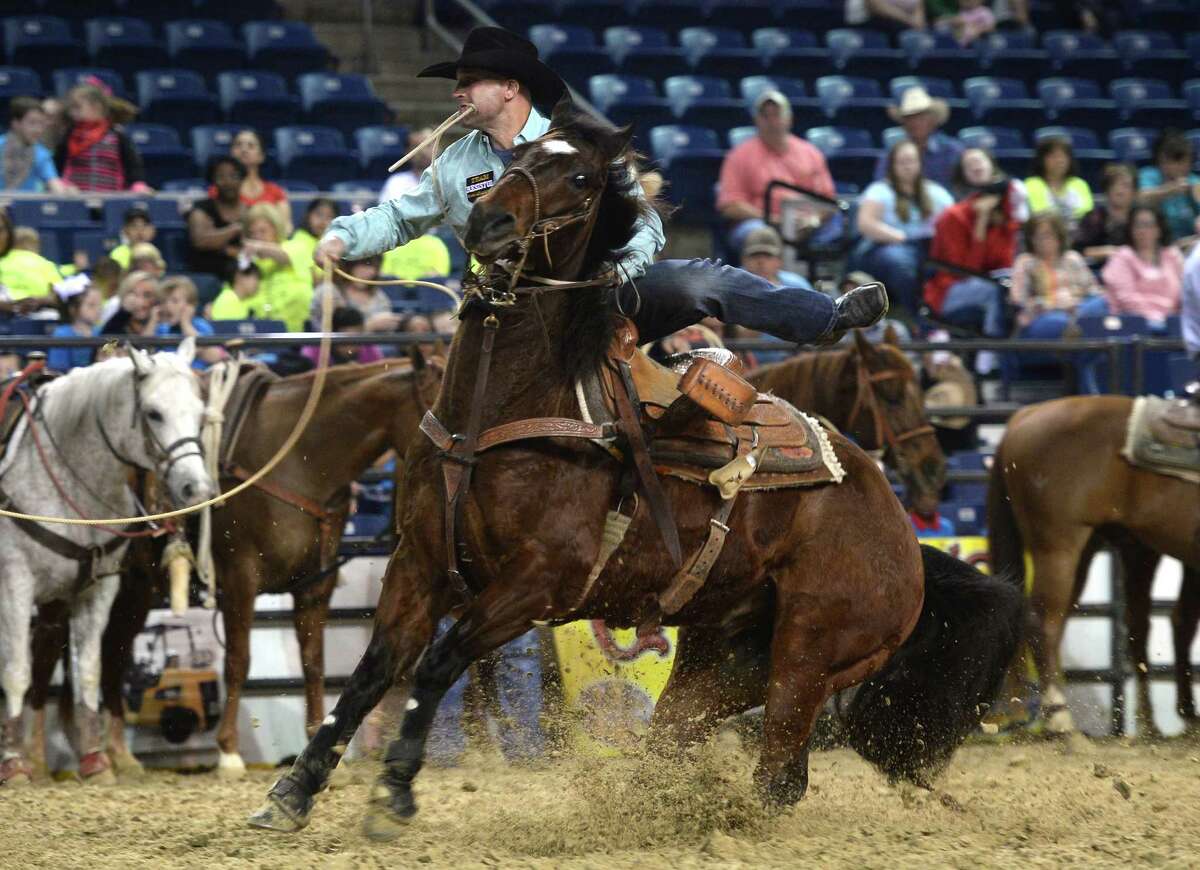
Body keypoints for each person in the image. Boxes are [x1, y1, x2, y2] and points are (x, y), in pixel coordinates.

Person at [317, 27, 886, 353]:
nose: (457, 95)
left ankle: (822, 317)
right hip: (505, 307)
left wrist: (626, 266)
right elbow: (399, 218)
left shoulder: (578, 144)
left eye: (469, 84)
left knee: (708, 279)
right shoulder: (452, 164)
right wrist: (342, 238)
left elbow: (643, 220)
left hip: (596, 291)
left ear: (510, 88)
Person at [716, 88, 837, 257]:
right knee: (760, 235)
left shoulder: (810, 152)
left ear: (789, 119)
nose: (772, 121)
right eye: (765, 115)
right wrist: (773, 220)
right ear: (756, 120)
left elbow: (829, 200)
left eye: (777, 114)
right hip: (760, 222)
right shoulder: (739, 155)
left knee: (840, 226)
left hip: (806, 223)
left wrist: (813, 219)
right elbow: (730, 206)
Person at [851, 140, 954, 312]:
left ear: (920, 163)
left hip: (927, 246)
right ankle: (918, 316)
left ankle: (944, 315)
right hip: (884, 247)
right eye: (902, 162)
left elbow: (952, 222)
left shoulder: (937, 192)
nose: (907, 167)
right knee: (900, 262)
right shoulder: (879, 190)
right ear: (892, 165)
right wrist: (899, 237)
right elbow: (866, 224)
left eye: (911, 161)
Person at [924, 175, 1019, 338]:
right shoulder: (953, 217)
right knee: (998, 290)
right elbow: (964, 272)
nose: (1008, 218)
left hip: (987, 283)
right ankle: (990, 353)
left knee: (1016, 284)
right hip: (947, 291)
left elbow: (1006, 264)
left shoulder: (1004, 223)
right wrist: (980, 225)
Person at [1009, 212, 1105, 338]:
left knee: (1102, 303)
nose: (1042, 241)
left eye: (1047, 235)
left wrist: (1078, 300)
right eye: (1036, 236)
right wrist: (1049, 305)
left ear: (1059, 236)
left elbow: (1093, 289)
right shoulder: (1025, 262)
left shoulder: (1072, 258)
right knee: (1061, 323)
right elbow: (1017, 299)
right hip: (1043, 315)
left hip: (1077, 311)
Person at [55, 81, 149, 193]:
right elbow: (58, 164)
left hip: (110, 199)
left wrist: (138, 184)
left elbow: (132, 164)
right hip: (76, 199)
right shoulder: (69, 134)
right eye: (71, 108)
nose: (72, 112)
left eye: (77, 107)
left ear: (96, 107)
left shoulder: (117, 135)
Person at [1101, 205, 1184, 324]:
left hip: (1173, 321)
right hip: (1133, 324)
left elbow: (1185, 291)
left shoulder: (1172, 255)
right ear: (1131, 229)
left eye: (1148, 225)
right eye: (1138, 225)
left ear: (1159, 229)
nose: (1142, 230)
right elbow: (1127, 299)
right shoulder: (1122, 257)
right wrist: (1156, 320)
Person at [242, 202, 315, 332]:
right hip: (261, 328)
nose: (257, 237)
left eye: (263, 231)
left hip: (297, 327)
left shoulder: (296, 246)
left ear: (276, 229)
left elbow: (284, 256)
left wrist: (258, 247)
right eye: (252, 233)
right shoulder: (249, 260)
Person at [873, 87, 964, 189]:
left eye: (921, 118)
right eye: (910, 118)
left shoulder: (952, 151)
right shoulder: (892, 154)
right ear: (904, 124)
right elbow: (880, 187)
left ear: (933, 121)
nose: (915, 123)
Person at [187, 155, 246, 280]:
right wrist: (235, 229)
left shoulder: (251, 210)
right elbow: (201, 241)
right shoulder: (201, 208)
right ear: (213, 180)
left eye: (233, 176)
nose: (228, 182)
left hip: (244, 273)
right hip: (208, 274)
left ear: (242, 179)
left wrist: (220, 244)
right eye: (221, 177)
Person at [1137, 129, 1200, 243]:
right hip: (1157, 243)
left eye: (1188, 162)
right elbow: (1139, 198)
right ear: (1164, 161)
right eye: (1180, 162)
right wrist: (1170, 190)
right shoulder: (1148, 175)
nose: (1186, 167)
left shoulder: (1193, 180)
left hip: (1189, 242)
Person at [310, 254, 400, 332]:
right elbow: (328, 332)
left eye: (375, 267)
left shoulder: (377, 295)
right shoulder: (328, 292)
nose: (371, 272)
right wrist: (368, 326)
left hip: (375, 349)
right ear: (348, 266)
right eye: (365, 265)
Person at [1, 97, 72, 193]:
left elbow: (55, 184)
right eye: (32, 123)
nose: (38, 129)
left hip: (26, 207)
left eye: (41, 123)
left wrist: (67, 191)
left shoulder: (41, 154)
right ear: (16, 123)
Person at [205, 128, 288, 209]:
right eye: (238, 145)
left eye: (251, 146)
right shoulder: (218, 190)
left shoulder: (275, 192)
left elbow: (284, 223)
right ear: (231, 154)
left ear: (261, 156)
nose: (244, 150)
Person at [1024, 137, 1093, 232]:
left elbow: (1086, 215)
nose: (1059, 161)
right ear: (1042, 160)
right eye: (1053, 156)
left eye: (1063, 156)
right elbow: (1041, 214)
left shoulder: (1080, 184)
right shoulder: (1032, 184)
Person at [1074, 163, 1136, 265]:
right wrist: (1108, 251)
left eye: (1126, 185)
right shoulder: (1093, 218)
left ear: (1134, 192)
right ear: (1106, 189)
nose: (1119, 190)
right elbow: (1078, 250)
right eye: (1114, 184)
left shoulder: (1141, 218)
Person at [156, 275, 223, 367]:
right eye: (163, 301)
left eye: (174, 301)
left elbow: (200, 347)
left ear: (190, 306)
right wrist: (153, 320)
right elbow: (146, 349)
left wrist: (185, 323)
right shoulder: (162, 328)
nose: (167, 306)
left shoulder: (201, 325)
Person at [0, 210, 61, 306]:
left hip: (34, 313)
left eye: (1, 230)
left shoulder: (45, 264)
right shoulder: (46, 263)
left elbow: (59, 294)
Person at [952, 147, 1029, 221]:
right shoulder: (958, 200)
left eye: (978, 161)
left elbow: (1021, 220)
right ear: (962, 173)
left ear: (991, 163)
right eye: (969, 165)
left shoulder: (1013, 187)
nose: (975, 167)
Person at [48, 276, 102, 372]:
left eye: (100, 304)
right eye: (91, 305)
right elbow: (58, 370)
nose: (98, 310)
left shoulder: (101, 332)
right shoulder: (62, 335)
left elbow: (108, 351)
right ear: (73, 309)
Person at [300, 306, 383, 367]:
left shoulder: (370, 350)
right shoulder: (313, 352)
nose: (352, 345)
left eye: (356, 338)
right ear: (333, 334)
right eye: (346, 339)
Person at [379, 126, 435, 202]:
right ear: (407, 152)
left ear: (438, 147)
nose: (423, 152)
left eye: (428, 145)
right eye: (416, 146)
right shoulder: (396, 183)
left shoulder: (447, 179)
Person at [100, 270, 159, 336]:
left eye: (147, 295)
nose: (140, 301)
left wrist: (153, 321)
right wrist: (124, 312)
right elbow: (106, 342)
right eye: (134, 295)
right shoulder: (113, 326)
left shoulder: (163, 328)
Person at [290, 197, 338, 266]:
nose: (323, 221)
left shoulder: (336, 245)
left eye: (329, 216)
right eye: (319, 214)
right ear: (308, 216)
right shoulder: (299, 239)